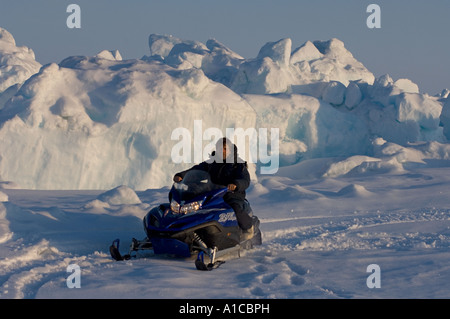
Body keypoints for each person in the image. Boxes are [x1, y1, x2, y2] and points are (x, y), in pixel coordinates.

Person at [173, 137, 254, 240]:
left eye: (225, 148)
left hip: (231, 194)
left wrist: (235, 184)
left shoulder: (238, 164)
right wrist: (182, 176)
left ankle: (248, 227)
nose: (222, 151)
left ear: (230, 149)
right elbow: (197, 170)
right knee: (193, 206)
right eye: (220, 148)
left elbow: (245, 179)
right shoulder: (212, 163)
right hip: (213, 193)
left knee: (235, 208)